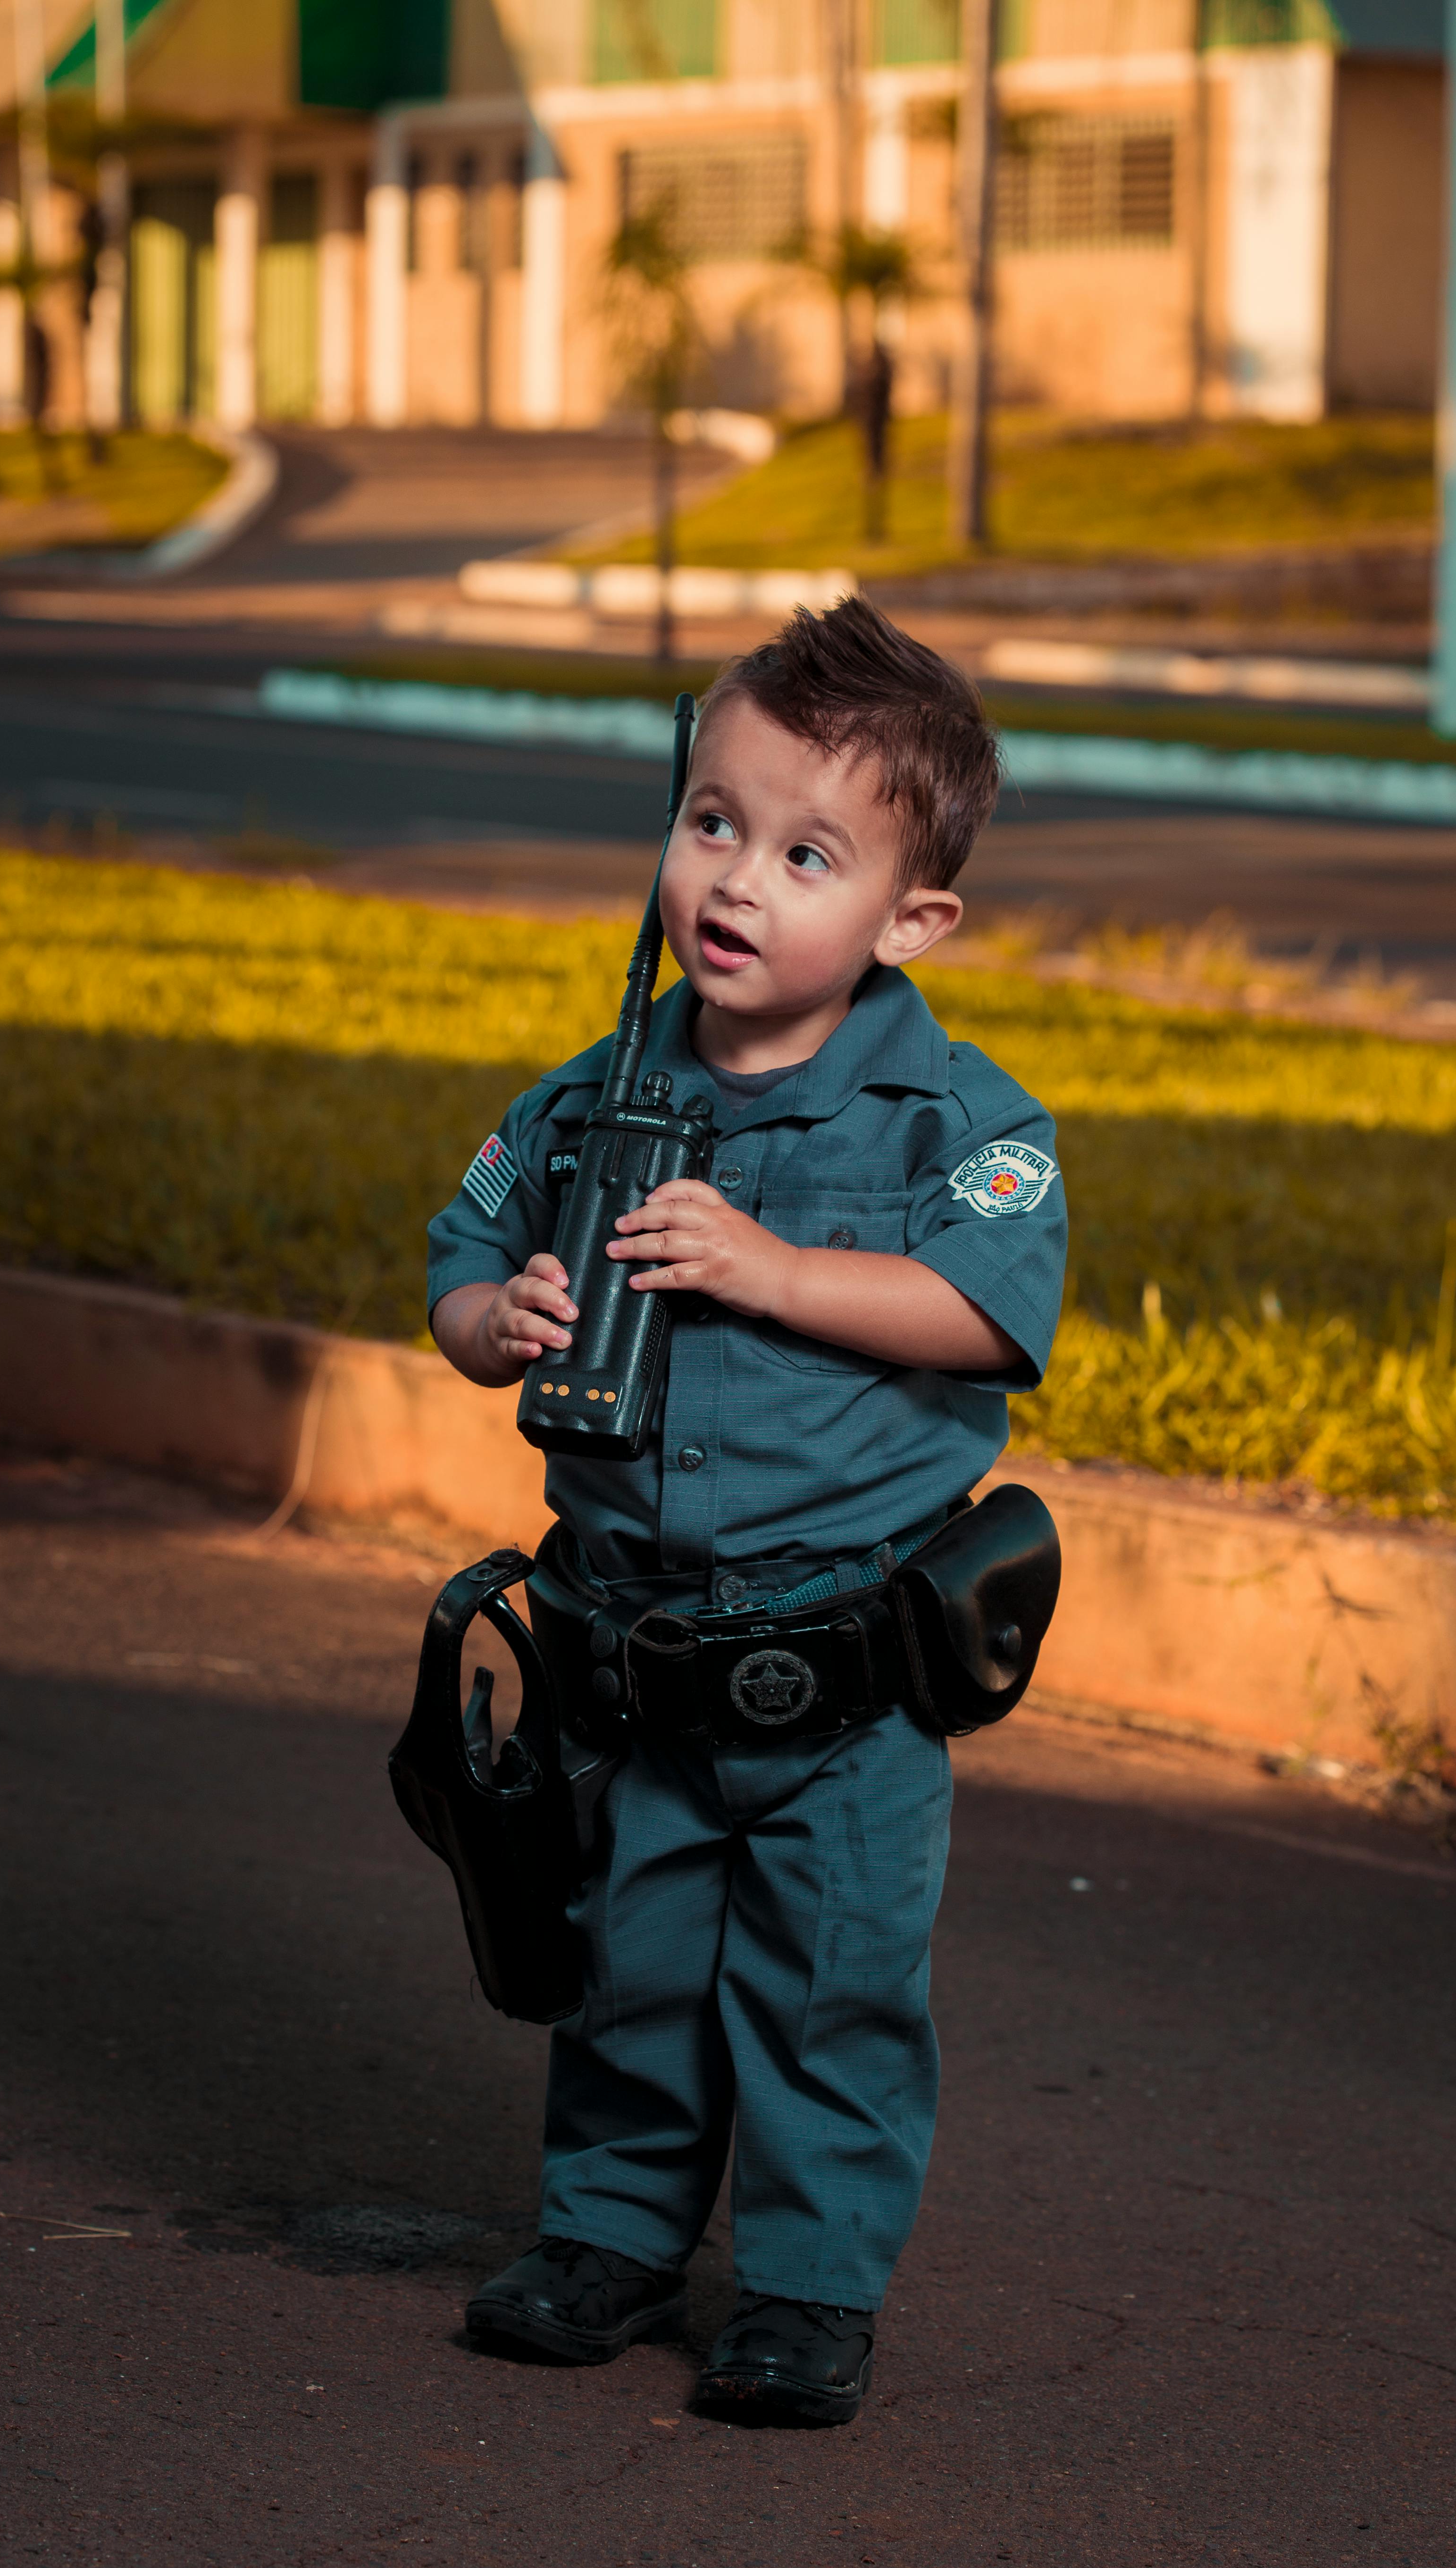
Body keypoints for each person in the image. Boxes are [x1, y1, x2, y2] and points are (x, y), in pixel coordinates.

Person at [425, 595, 1066, 2426]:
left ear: (911, 916)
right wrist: (498, 1320)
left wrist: (779, 1271)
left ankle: (803, 2288)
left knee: (822, 1994)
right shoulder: (592, 1099)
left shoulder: (957, 1123)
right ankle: (611, 2238)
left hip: (841, 1674)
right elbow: (464, 1259)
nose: (735, 881)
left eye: (806, 854)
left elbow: (988, 1311)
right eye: (712, 821)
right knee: (630, 1967)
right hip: (626, 1650)